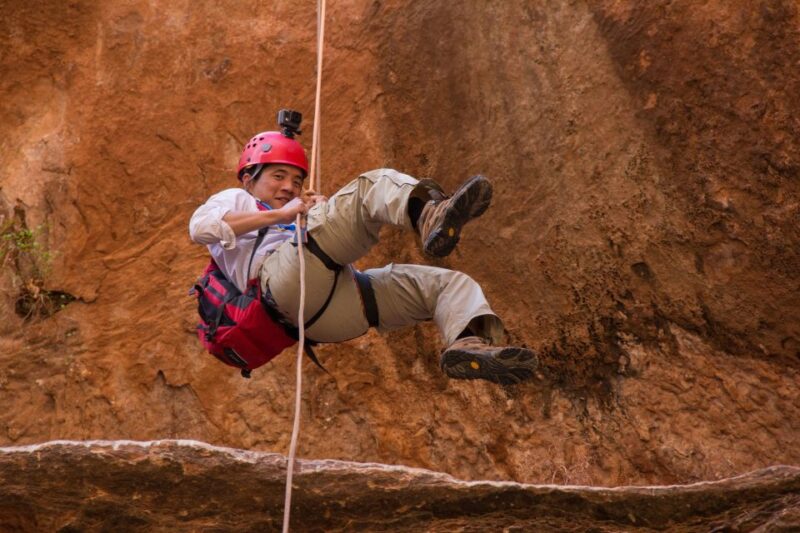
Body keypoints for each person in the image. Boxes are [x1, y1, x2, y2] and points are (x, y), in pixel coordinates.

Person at [189, 121, 538, 385]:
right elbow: (200, 227)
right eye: (278, 176)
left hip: (330, 314)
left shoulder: (294, 212)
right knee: (369, 187)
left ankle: (467, 344)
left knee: (447, 285)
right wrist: (280, 216)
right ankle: (431, 214)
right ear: (248, 178)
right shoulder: (237, 199)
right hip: (280, 286)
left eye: (296, 181)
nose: (288, 187)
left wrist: (317, 213)